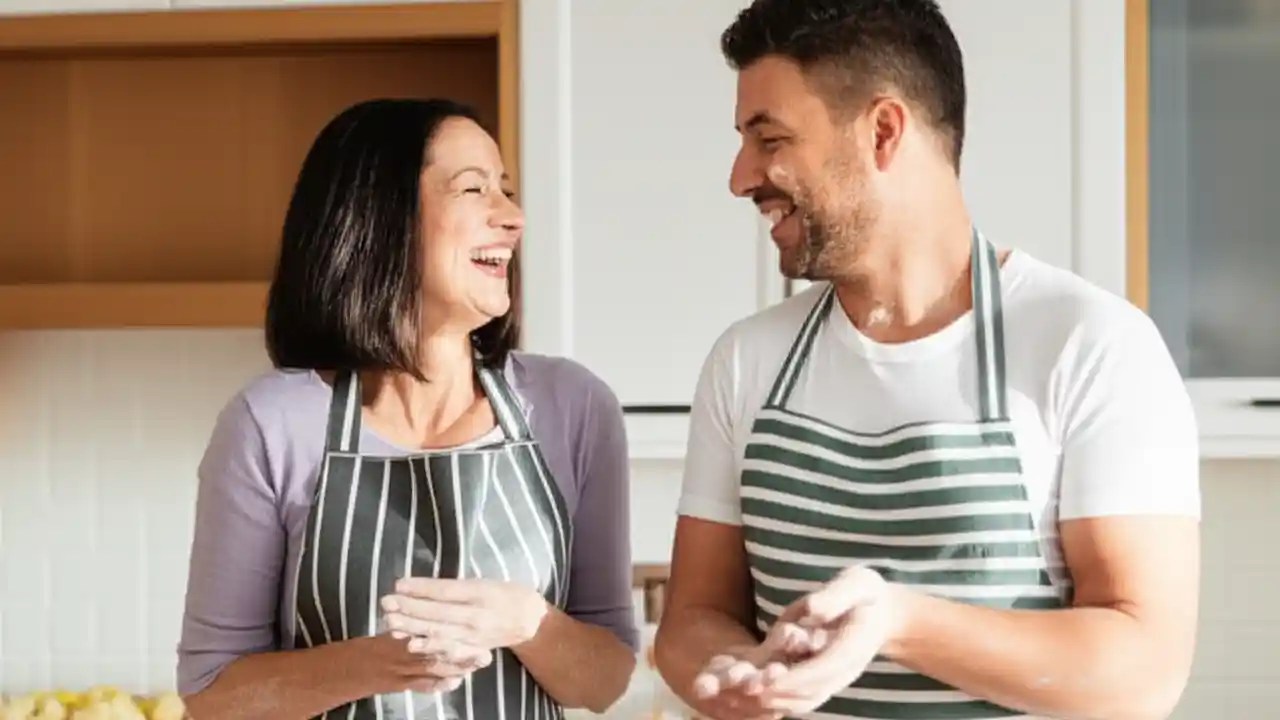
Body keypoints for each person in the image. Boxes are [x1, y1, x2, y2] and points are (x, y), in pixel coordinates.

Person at [654, 2, 1201, 719]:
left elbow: (1143, 672)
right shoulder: (748, 361)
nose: (740, 176)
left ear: (883, 131)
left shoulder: (1089, 344)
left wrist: (897, 623)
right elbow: (690, 622)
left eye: (771, 138)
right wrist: (744, 675)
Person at [176, 98, 638, 719]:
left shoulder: (572, 407)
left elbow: (605, 680)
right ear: (382, 217)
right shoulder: (272, 425)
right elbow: (213, 697)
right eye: (475, 190)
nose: (513, 217)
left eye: (505, 190)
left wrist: (526, 621)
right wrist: (382, 663)